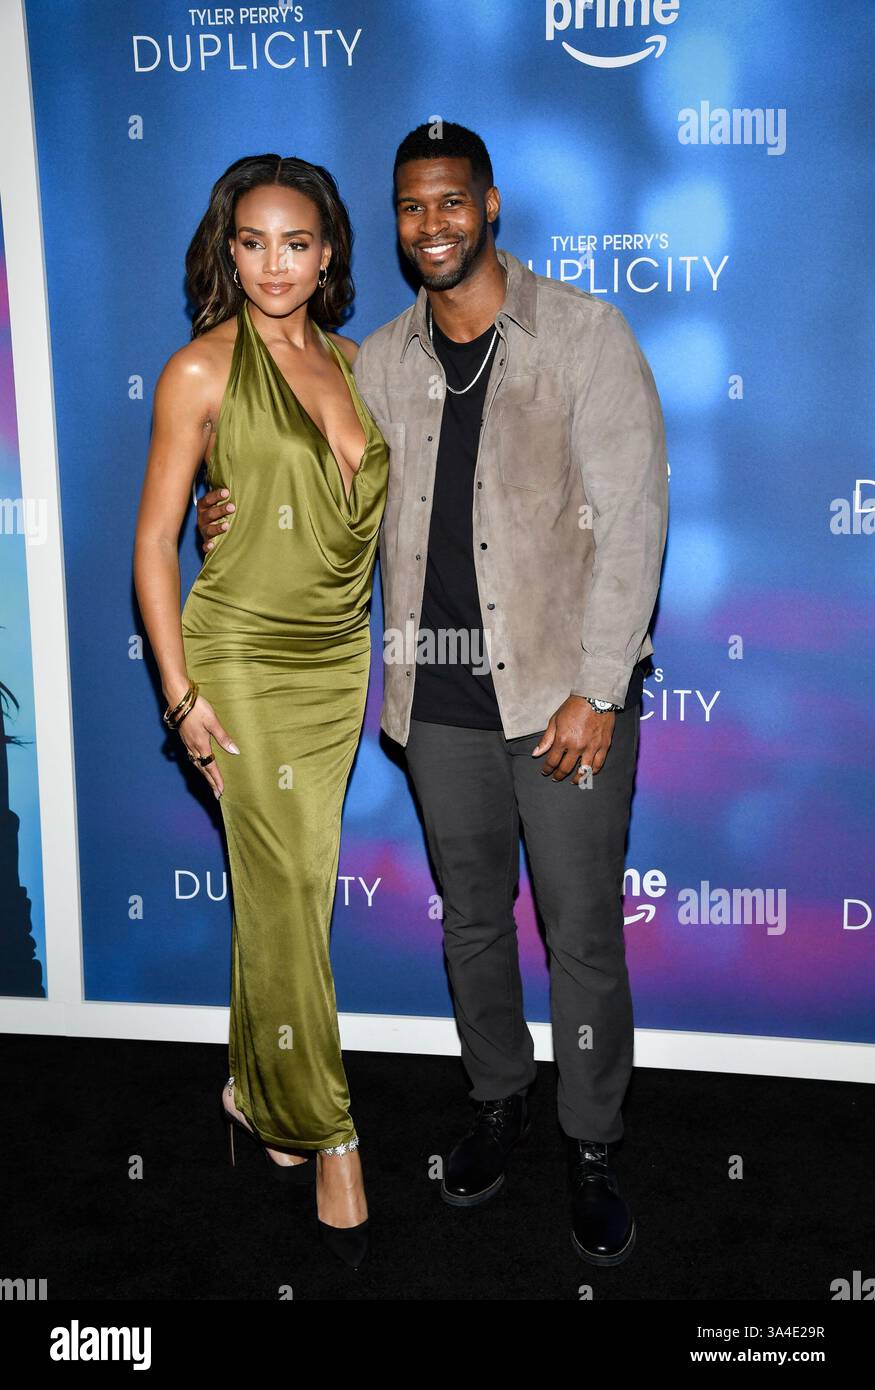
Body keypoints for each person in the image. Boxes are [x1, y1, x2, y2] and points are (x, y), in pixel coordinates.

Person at [197, 123, 669, 1266]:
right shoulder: (381, 359)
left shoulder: (584, 336)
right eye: (413, 208)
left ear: (490, 206)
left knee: (581, 934)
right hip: (436, 703)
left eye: (452, 202)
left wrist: (598, 688)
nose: (434, 225)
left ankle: (590, 1141)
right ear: (398, 224)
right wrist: (231, 515)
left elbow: (637, 519)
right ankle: (498, 1100)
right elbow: (312, 475)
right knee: (469, 924)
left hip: (562, 700)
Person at [134, 153, 389, 1270]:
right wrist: (180, 693)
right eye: (253, 242)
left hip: (336, 663)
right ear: (226, 250)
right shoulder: (197, 369)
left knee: (291, 893)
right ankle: (328, 1132)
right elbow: (151, 541)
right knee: (285, 886)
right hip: (235, 658)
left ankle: (254, 1087)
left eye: (296, 242)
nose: (274, 263)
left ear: (327, 252)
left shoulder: (350, 361)